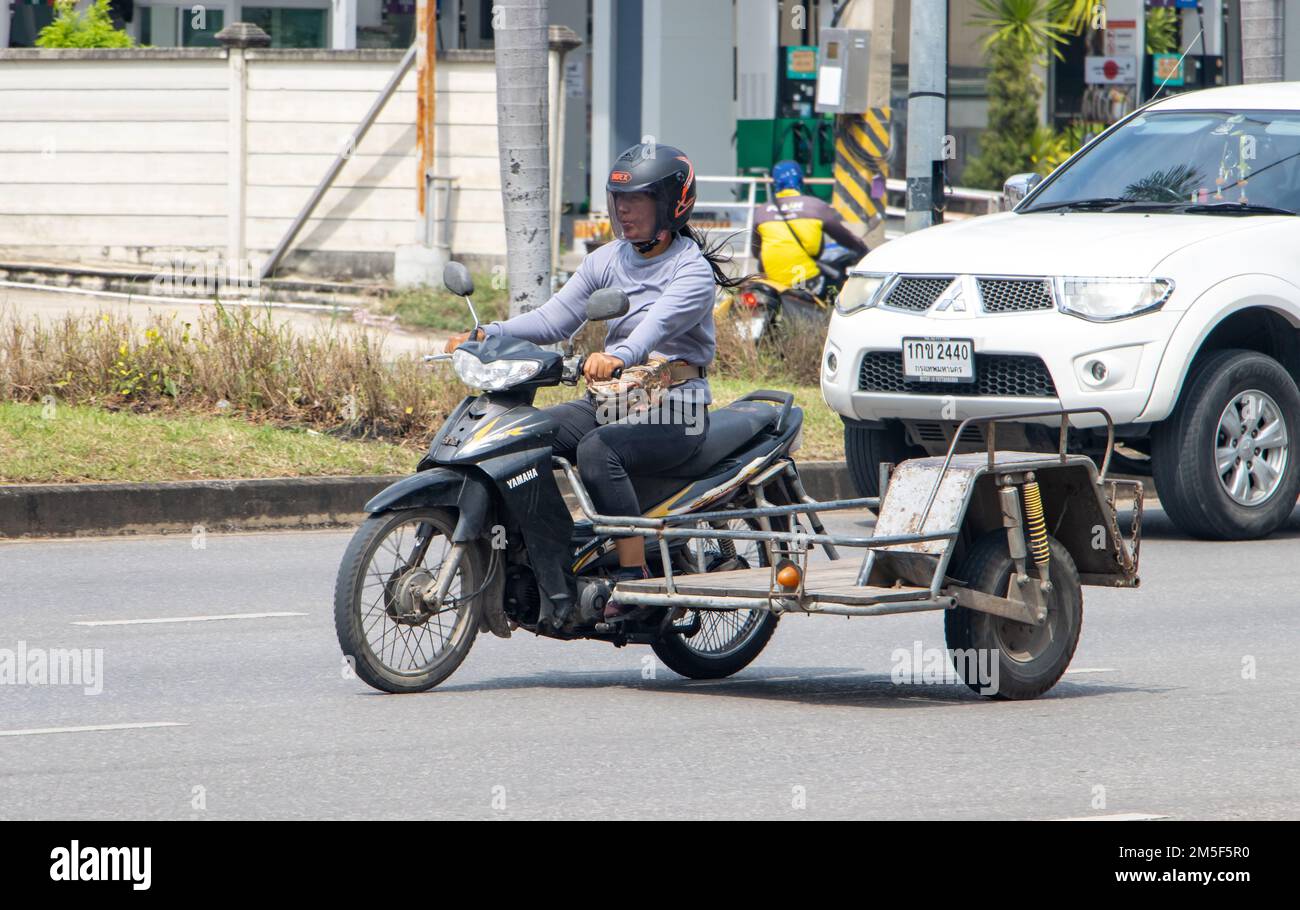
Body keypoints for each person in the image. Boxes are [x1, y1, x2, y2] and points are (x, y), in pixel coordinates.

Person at [445, 143, 739, 618]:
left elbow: (654, 329)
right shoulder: (607, 259)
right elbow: (553, 320)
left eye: (638, 200)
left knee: (600, 451)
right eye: (618, 199)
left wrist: (617, 356)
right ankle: (549, 552)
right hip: (614, 400)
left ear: (671, 205)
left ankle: (634, 575)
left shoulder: (691, 271)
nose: (623, 210)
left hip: (677, 409)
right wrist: (488, 333)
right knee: (526, 434)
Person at [750, 159, 868, 291]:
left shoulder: (762, 211)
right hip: (805, 279)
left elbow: (756, 251)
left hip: (772, 280)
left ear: (775, 184)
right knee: (837, 285)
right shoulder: (815, 206)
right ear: (801, 182)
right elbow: (843, 236)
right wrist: (862, 250)